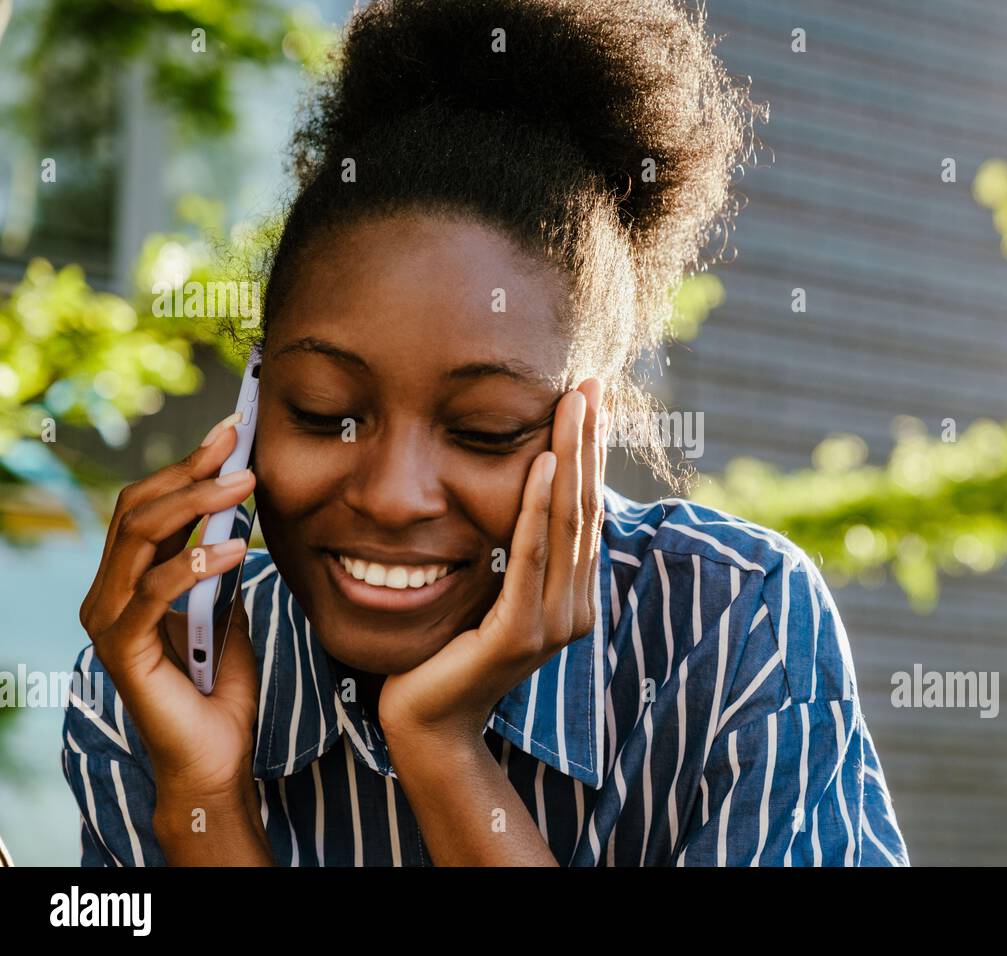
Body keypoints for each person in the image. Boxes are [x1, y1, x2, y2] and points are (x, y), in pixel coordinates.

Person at [61, 0, 908, 866]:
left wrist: (441, 750)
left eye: (484, 430)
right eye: (322, 411)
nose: (393, 497)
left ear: (586, 433)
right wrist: (202, 799)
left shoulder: (730, 631)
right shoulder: (156, 680)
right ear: (251, 404)